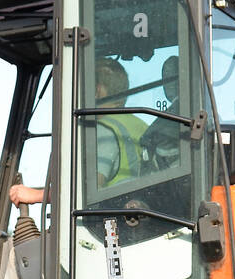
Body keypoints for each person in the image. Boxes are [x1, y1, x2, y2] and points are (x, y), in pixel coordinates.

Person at [10, 56, 147, 208]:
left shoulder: (104, 129)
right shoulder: (141, 126)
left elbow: (85, 193)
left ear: (96, 90)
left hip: (112, 220)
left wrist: (34, 195)